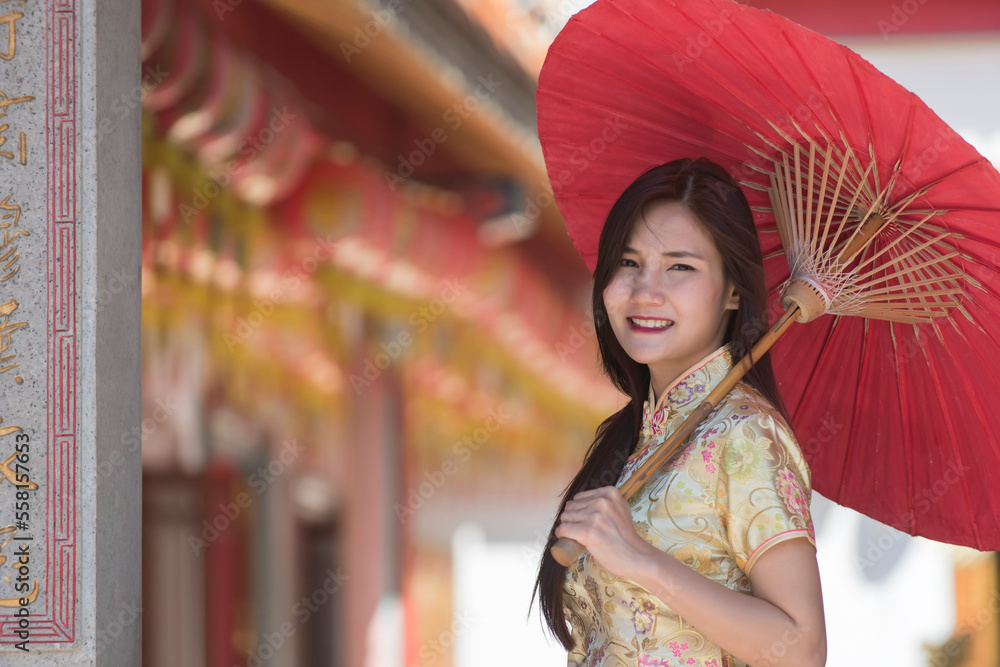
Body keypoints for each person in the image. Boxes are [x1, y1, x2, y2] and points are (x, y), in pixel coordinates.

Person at [530, 158, 826, 667]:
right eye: (628, 262)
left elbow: (800, 648)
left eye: (680, 266)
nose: (646, 291)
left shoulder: (746, 435)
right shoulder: (633, 438)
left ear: (734, 290)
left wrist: (642, 560)